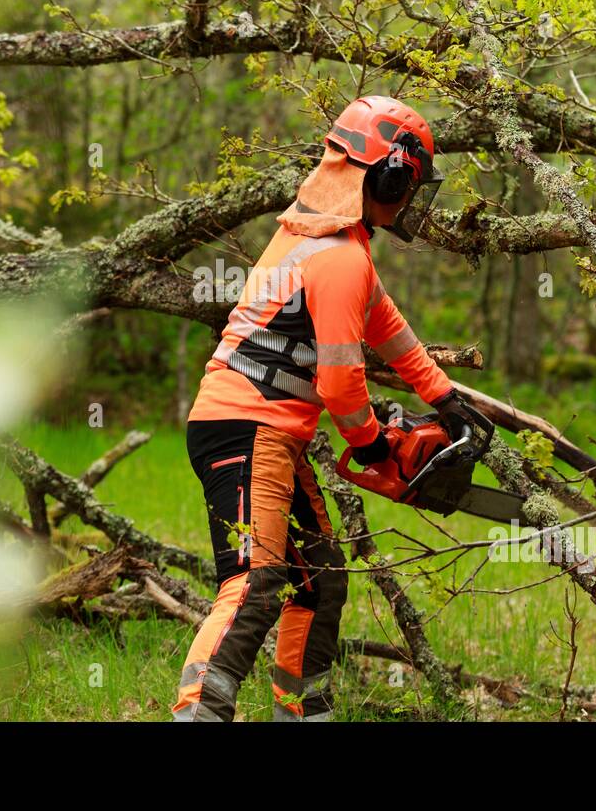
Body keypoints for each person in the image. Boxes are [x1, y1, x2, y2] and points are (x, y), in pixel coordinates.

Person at [170, 95, 476, 721]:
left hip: (267, 432)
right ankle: (196, 711)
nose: (409, 198)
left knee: (318, 579)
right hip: (246, 427)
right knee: (253, 583)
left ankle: (304, 715)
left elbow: (388, 327)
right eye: (407, 185)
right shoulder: (337, 257)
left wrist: (447, 399)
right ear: (387, 176)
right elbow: (340, 388)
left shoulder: (323, 240)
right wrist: (373, 448)